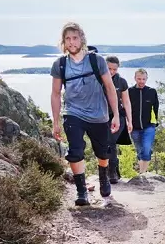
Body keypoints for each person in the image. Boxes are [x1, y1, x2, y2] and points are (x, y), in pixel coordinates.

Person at [50, 22, 120, 206]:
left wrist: (116, 116)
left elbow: (110, 87)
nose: (71, 42)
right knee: (75, 150)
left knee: (103, 152)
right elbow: (56, 94)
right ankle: (82, 191)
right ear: (63, 42)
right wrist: (55, 122)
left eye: (75, 38)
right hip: (73, 112)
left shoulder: (96, 60)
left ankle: (103, 177)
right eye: (68, 39)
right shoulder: (60, 65)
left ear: (81, 39)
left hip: (99, 114)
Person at [105, 55, 133, 184]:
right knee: (105, 144)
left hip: (118, 116)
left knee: (111, 141)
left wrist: (130, 121)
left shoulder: (121, 82)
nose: (111, 72)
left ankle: (112, 173)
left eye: (114, 69)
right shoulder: (98, 80)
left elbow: (126, 102)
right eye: (109, 68)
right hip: (102, 117)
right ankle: (112, 171)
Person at [128, 69, 159, 174]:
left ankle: (142, 174)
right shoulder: (129, 92)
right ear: (135, 78)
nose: (141, 81)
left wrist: (155, 123)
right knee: (140, 151)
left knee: (146, 149)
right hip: (134, 128)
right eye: (139, 79)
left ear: (147, 79)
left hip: (148, 126)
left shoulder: (151, 91)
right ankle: (143, 173)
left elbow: (156, 108)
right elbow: (125, 108)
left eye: (143, 79)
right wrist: (128, 123)